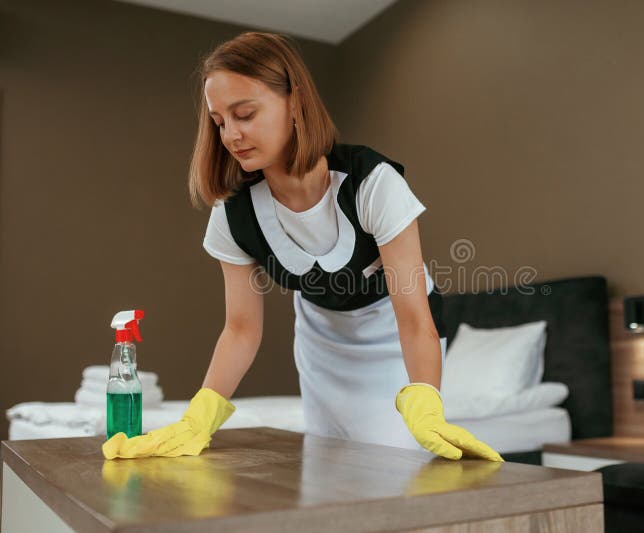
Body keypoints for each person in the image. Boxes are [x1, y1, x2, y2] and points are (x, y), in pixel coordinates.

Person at [102, 32, 503, 462]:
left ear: (294, 102)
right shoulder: (234, 214)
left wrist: (425, 400)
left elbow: (413, 317)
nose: (231, 135)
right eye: (220, 122)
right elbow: (241, 329)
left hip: (396, 338)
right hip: (321, 341)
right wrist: (198, 418)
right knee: (330, 470)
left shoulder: (372, 184)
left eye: (245, 114)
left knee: (395, 471)